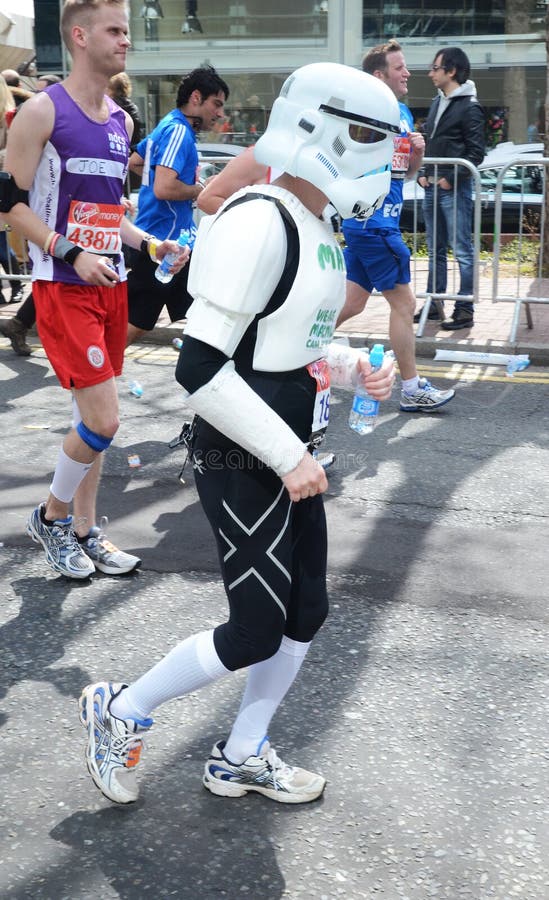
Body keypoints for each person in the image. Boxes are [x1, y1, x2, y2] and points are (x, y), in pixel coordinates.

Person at [79, 61, 397, 806]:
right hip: (241, 452)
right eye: (367, 136)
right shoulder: (258, 218)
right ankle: (119, 711)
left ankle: (240, 755)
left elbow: (295, 346)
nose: (381, 156)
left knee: (305, 609)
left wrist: (352, 369)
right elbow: (198, 368)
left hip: (290, 451)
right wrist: (287, 455)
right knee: (255, 628)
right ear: (317, 128)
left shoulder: (319, 221)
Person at [1, 0, 189, 579]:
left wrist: (149, 246)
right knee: (105, 420)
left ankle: (84, 532)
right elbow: (9, 204)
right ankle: (52, 517)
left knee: (93, 418)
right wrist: (70, 252)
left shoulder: (121, 120)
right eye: (115, 31)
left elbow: (109, 214)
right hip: (64, 284)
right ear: (79, 36)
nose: (125, 41)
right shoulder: (39, 112)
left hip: (109, 281)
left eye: (127, 31)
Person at [337, 41, 455, 413]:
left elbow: (401, 175)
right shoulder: (367, 114)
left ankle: (284, 353)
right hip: (374, 225)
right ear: (379, 75)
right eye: (399, 67)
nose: (408, 73)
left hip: (373, 223)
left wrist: (416, 155)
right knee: (404, 303)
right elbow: (351, 162)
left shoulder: (400, 111)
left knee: (351, 304)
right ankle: (412, 387)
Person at [125, 65, 228, 346]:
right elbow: (163, 188)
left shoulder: (169, 125)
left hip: (177, 244)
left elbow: (136, 162)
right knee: (136, 324)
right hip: (163, 244)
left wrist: (160, 180)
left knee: (204, 314)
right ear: (196, 97)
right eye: (216, 104)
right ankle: (92, 377)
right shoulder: (178, 132)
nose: (219, 113)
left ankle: (207, 377)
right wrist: (199, 190)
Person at [416, 47, 485, 330]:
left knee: (462, 250)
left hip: (452, 190)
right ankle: (435, 304)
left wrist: (449, 179)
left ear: (452, 71)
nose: (430, 73)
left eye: (435, 67)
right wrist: (422, 172)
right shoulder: (437, 102)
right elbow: (430, 144)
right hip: (431, 187)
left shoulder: (470, 107)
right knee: (435, 250)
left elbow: (476, 153)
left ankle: (464, 309)